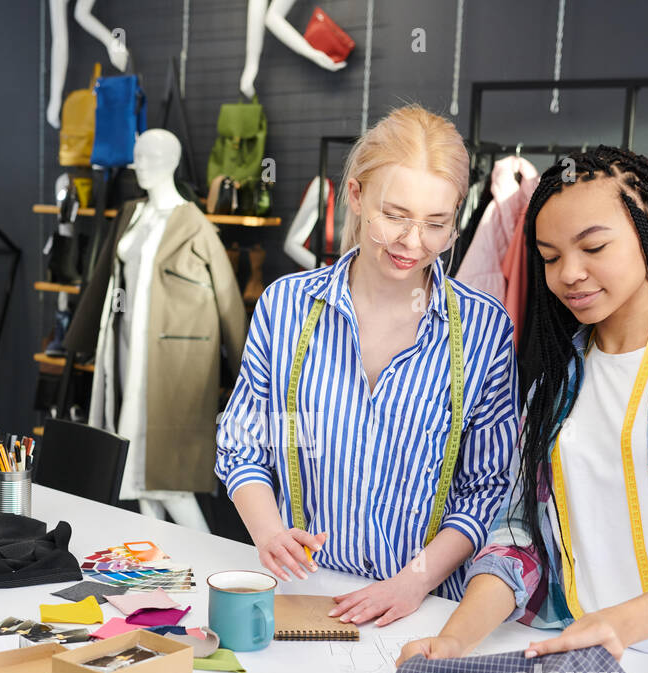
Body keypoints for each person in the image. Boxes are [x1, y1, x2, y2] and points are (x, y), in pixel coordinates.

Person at [398, 145, 648, 666]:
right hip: (570, 660)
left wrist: (616, 625)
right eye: (551, 257)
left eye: (593, 247)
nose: (569, 274)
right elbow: (519, 540)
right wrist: (455, 640)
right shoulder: (557, 380)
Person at [215, 105, 517, 625]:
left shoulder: (484, 329)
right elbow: (242, 442)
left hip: (425, 606)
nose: (412, 242)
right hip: (307, 590)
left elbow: (487, 485)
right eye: (394, 216)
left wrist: (412, 582)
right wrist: (268, 531)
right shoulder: (286, 307)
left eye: (436, 223)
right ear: (355, 195)